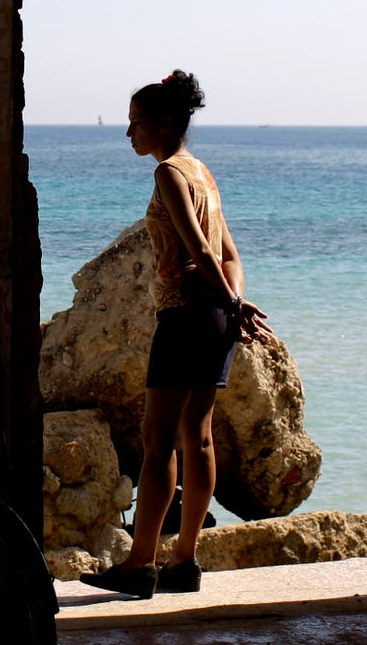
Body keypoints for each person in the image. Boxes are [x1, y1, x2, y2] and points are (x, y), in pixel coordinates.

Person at [81, 70, 269, 599]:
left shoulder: (169, 173)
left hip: (185, 319)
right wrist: (232, 304)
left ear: (164, 124)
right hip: (213, 321)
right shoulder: (202, 172)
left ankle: (139, 564)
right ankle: (185, 560)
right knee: (199, 436)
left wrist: (229, 301)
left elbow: (198, 250)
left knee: (158, 439)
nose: (129, 133)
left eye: (135, 122)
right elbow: (229, 256)